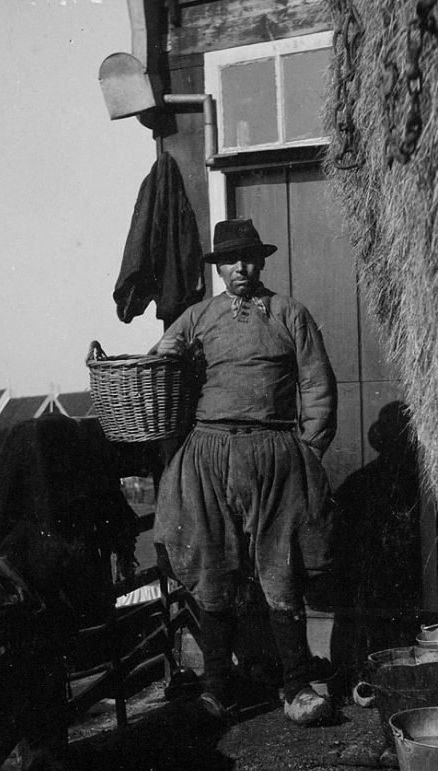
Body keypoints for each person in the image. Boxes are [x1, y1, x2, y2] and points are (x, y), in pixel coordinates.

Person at [153, 218, 337, 725]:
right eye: (231, 260)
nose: (242, 268)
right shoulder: (198, 317)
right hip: (209, 452)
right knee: (211, 563)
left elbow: (317, 386)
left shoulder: (289, 314)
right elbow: (158, 366)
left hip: (276, 452)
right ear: (219, 267)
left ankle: (296, 687)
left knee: (284, 566)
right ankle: (217, 689)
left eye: (250, 258)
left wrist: (309, 451)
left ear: (262, 261)